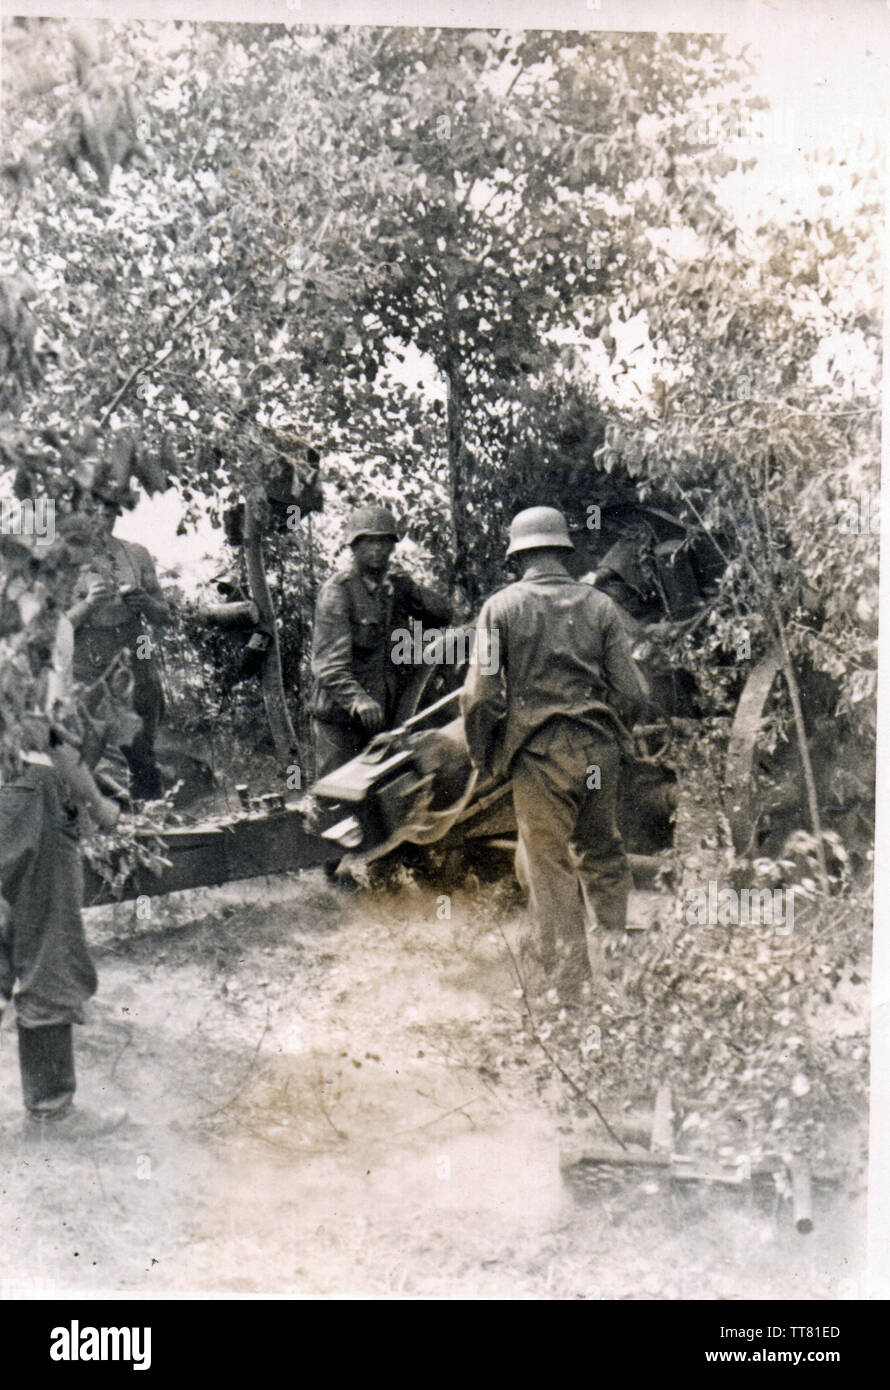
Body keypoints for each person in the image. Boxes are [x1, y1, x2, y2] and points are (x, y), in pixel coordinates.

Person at [460, 506, 649, 1000]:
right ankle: (619, 973)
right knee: (603, 852)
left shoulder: (501, 608)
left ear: (519, 554)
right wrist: (613, 736)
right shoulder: (601, 608)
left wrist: (487, 758)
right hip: (595, 762)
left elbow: (479, 698)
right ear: (564, 550)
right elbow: (632, 692)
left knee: (549, 869)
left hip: (541, 762)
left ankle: (570, 993)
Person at [0, 529, 128, 1139]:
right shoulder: (44, 630)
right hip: (28, 794)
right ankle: (51, 1108)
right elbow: (46, 738)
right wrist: (98, 802)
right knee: (49, 942)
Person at [310, 506, 452, 778]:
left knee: (386, 796)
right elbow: (329, 666)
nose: (376, 549)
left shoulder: (397, 588)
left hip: (385, 716)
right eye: (367, 542)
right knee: (337, 799)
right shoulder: (338, 592)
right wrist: (358, 700)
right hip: (342, 721)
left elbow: (443, 614)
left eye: (383, 541)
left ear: (392, 546)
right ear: (353, 547)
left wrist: (412, 589)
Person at [66, 478, 172, 800]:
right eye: (93, 509)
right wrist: (87, 605)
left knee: (142, 739)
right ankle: (85, 819)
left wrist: (145, 603)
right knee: (84, 744)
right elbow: (55, 627)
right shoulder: (65, 559)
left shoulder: (135, 554)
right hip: (87, 652)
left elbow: (163, 614)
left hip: (135, 642)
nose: (102, 516)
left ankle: (150, 816)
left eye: (110, 509)